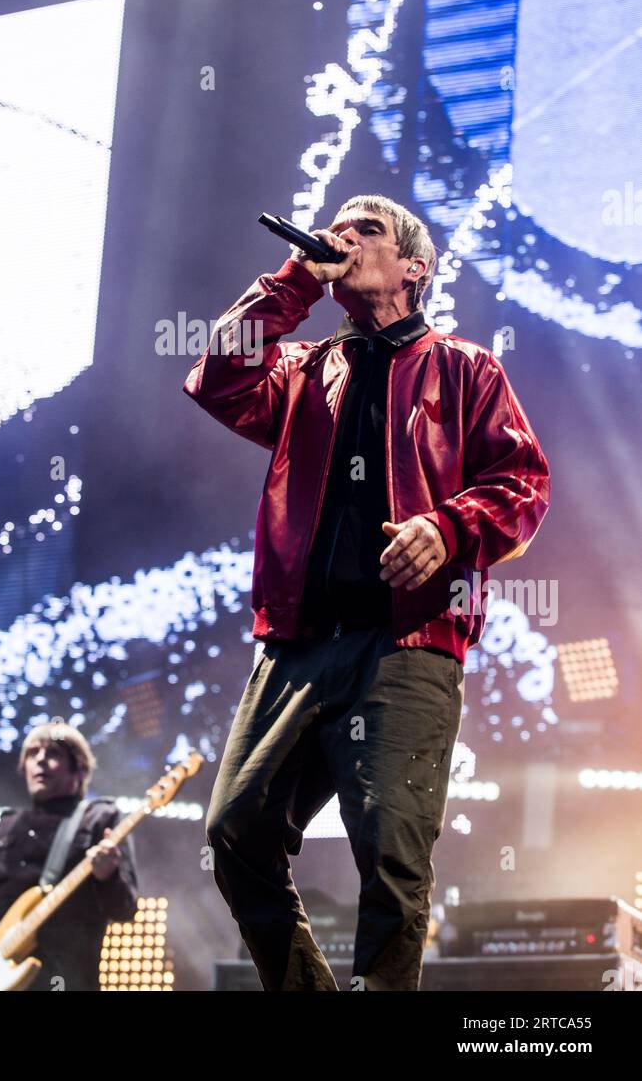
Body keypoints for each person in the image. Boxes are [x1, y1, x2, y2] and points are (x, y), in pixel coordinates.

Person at [183, 193, 550, 991]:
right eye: (337, 226)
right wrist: (291, 283)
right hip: (298, 643)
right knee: (236, 827)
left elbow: (523, 481)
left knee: (390, 850)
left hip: (407, 643)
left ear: (415, 268)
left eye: (368, 229)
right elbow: (216, 377)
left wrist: (448, 528)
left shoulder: (466, 368)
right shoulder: (307, 369)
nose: (343, 235)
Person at [0, 720, 138, 991]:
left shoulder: (100, 818)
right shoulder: (4, 826)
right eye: (33, 753)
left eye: (53, 753)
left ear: (79, 768)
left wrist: (109, 876)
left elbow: (125, 909)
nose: (41, 760)